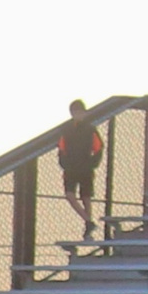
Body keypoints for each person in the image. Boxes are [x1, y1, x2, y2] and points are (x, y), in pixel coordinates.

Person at [55, 99, 104, 242]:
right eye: (75, 112)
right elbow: (61, 148)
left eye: (80, 112)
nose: (78, 115)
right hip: (71, 168)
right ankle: (88, 221)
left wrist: (92, 163)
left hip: (86, 168)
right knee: (70, 195)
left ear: (85, 113)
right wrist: (64, 164)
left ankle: (88, 229)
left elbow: (98, 148)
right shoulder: (66, 130)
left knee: (86, 197)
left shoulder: (90, 130)